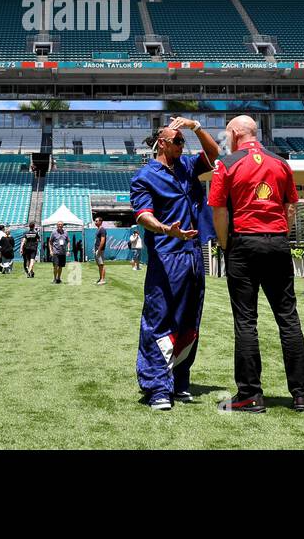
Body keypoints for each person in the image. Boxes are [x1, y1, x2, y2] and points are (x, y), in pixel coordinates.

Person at [208, 115, 304, 413]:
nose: (226, 139)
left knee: (246, 321)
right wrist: (279, 235)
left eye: (227, 134)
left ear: (236, 133)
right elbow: (290, 205)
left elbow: (218, 211)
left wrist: (226, 245)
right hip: (278, 241)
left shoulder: (228, 164)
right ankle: (301, 395)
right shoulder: (280, 163)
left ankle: (250, 395)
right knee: (288, 318)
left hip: (244, 243)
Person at [130, 116, 220, 411]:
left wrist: (195, 128)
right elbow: (143, 215)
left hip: (193, 254)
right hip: (167, 256)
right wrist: (165, 229)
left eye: (184, 141)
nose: (183, 145)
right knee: (159, 321)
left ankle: (180, 380)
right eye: (178, 141)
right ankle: (157, 386)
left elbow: (213, 154)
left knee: (189, 322)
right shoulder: (144, 177)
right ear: (162, 144)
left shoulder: (187, 166)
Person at [93, 218, 108, 285]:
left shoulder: (102, 229)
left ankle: (102, 279)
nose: (95, 222)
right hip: (97, 249)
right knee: (99, 265)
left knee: (101, 265)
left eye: (96, 221)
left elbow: (103, 240)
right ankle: (100, 278)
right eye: (95, 221)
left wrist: (99, 250)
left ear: (101, 222)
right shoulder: (98, 229)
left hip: (100, 250)